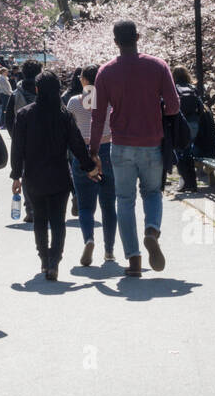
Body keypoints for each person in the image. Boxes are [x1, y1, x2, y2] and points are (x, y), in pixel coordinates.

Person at [89, 20, 181, 278]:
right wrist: (155, 109)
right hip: (152, 143)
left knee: (124, 201)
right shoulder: (158, 66)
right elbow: (174, 107)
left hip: (120, 146)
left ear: (115, 41)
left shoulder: (105, 72)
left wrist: (94, 151)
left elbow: (97, 116)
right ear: (138, 36)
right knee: (152, 192)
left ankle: (134, 260)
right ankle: (151, 231)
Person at [10, 72, 94, 281]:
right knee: (58, 221)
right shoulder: (64, 115)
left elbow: (17, 148)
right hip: (59, 174)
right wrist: (89, 166)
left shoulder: (24, 115)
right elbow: (76, 144)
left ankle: (44, 259)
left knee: (40, 219)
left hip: (34, 175)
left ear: (37, 90)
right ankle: (55, 261)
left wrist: (16, 175)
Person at [66, 65, 116, 264]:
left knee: (86, 206)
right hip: (107, 150)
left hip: (82, 154)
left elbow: (69, 128)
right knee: (109, 205)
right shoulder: (111, 101)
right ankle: (109, 251)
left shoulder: (74, 102)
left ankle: (88, 239)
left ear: (84, 80)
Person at [2, 60, 41, 223]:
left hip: (23, 139)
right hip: (44, 138)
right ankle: (42, 207)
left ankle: (30, 209)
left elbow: (8, 118)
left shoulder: (16, 93)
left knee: (26, 175)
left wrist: (15, 135)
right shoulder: (44, 90)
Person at [171, 65, 212, 192]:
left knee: (179, 153)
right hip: (194, 124)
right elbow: (201, 108)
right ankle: (190, 182)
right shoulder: (192, 88)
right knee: (187, 152)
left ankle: (186, 181)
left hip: (180, 125)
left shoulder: (174, 89)